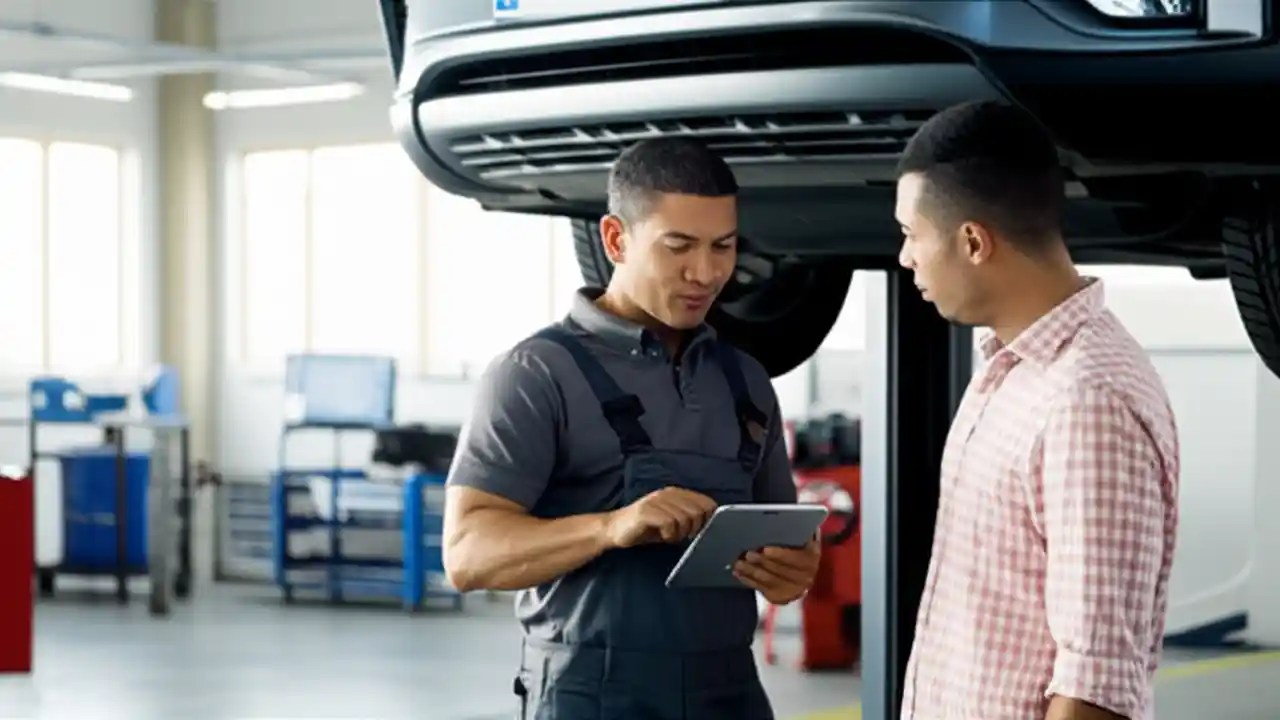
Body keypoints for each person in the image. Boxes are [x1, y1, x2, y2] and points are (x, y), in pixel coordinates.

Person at [441, 137, 820, 719]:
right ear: (616, 239)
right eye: (679, 247)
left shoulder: (746, 382)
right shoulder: (535, 373)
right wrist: (611, 527)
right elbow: (468, 555)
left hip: (731, 691)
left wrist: (792, 570)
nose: (706, 272)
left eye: (723, 246)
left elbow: (785, 549)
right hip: (590, 692)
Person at [893, 99, 1181, 720]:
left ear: (973, 241)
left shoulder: (1087, 400)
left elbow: (1095, 684)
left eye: (911, 235)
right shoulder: (1008, 371)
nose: (905, 258)